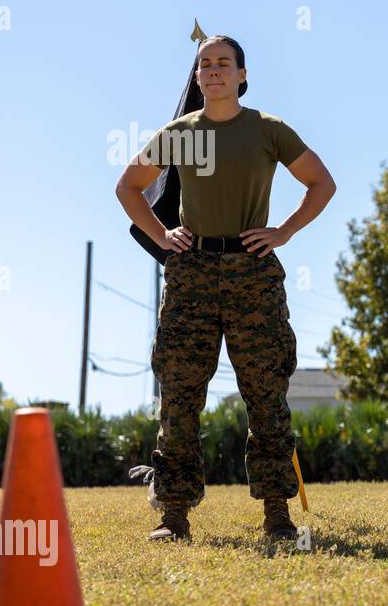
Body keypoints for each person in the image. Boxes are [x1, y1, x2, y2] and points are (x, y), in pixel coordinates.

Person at [115, 35, 336, 541]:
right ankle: (173, 514)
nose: (213, 71)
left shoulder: (268, 130)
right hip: (190, 273)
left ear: (242, 74)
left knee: (265, 394)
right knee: (179, 395)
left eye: (224, 64)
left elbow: (321, 183)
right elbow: (128, 186)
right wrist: (160, 234)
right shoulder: (181, 132)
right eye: (205, 65)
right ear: (197, 77)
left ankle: (277, 514)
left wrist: (283, 231)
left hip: (252, 271)